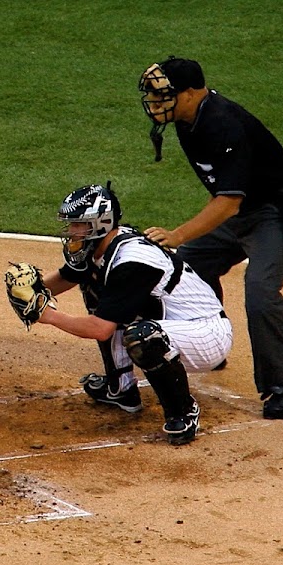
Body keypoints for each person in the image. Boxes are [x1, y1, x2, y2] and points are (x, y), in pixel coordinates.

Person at [138, 56, 283, 420]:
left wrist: (177, 234)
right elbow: (226, 196)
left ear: (191, 93)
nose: (158, 103)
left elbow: (227, 202)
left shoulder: (223, 124)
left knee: (260, 292)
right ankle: (209, 342)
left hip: (276, 214)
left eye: (166, 95)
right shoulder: (187, 119)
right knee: (188, 268)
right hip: (241, 212)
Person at [34, 183, 233, 445]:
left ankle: (183, 412)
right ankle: (121, 388)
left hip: (206, 334)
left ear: (101, 222)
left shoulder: (133, 260)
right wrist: (32, 290)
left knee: (143, 338)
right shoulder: (103, 246)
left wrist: (46, 314)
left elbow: (101, 328)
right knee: (95, 289)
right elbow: (70, 276)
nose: (71, 232)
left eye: (77, 225)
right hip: (172, 326)